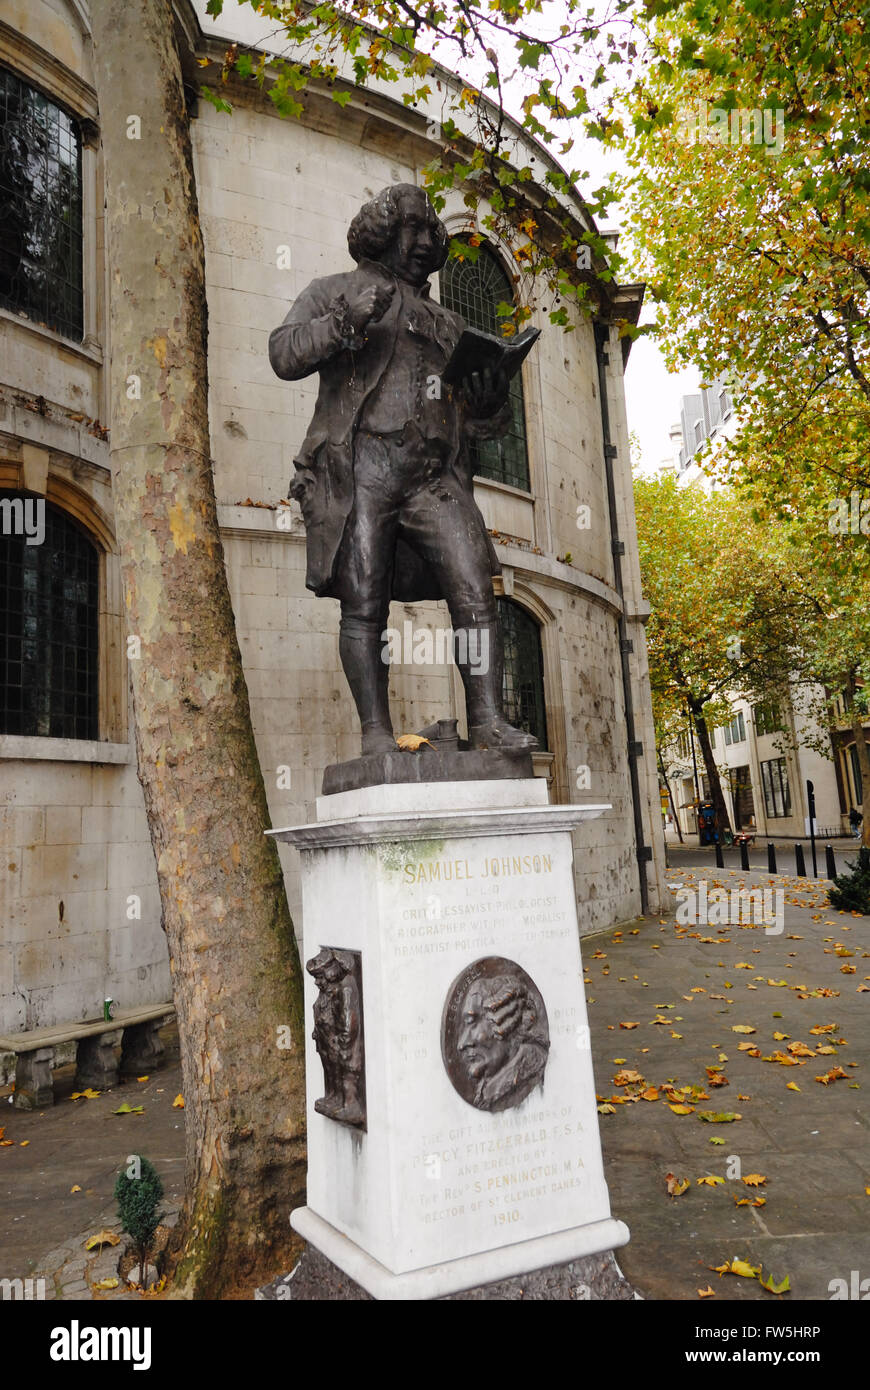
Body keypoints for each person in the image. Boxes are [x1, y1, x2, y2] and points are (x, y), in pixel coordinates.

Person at [269, 183, 538, 757]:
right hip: (362, 468)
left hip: (434, 477)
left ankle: (488, 720)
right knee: (363, 601)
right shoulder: (333, 291)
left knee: (475, 590)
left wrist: (488, 398)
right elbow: (283, 353)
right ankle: (375, 734)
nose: (422, 242)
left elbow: (477, 420)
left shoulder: (446, 321)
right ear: (381, 233)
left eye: (429, 231)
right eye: (410, 229)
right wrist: (343, 322)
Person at [457, 972, 549, 1112]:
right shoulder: (489, 1088)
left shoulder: (525, 1072)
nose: (462, 1043)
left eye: (472, 1022)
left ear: (506, 1021)